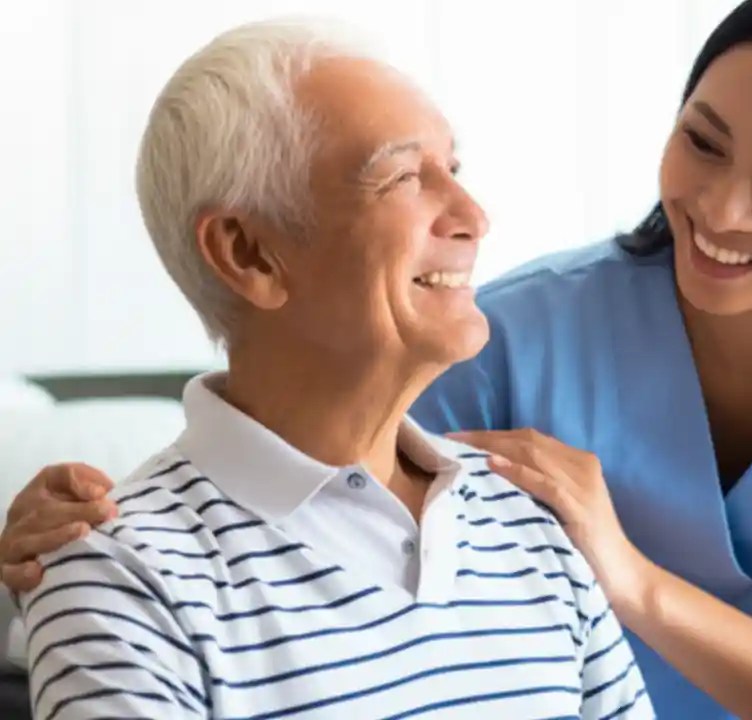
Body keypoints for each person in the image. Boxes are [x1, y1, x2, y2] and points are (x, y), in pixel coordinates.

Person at [3, 1, 752, 718]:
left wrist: (630, 581)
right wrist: (97, 523)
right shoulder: (510, 332)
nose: (722, 209)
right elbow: (307, 438)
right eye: (701, 140)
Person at [9, 18, 651, 720]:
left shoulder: (532, 523)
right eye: (404, 176)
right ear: (249, 252)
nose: (474, 216)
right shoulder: (118, 577)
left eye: (453, 170)